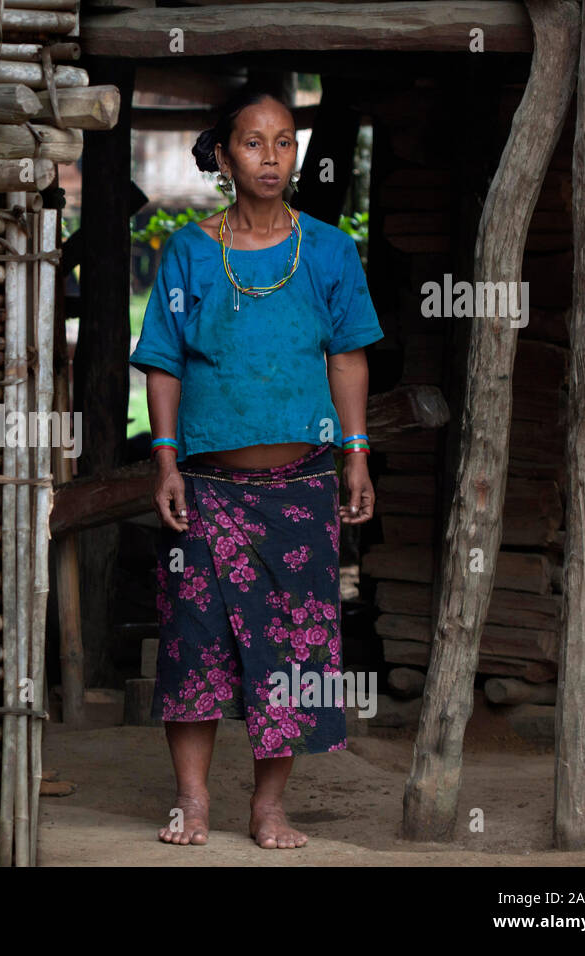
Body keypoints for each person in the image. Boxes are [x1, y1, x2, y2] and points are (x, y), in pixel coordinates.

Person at [128, 83, 382, 851]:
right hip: (205, 489)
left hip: (302, 488)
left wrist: (356, 453)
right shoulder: (191, 252)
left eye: (283, 142)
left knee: (295, 649)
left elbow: (347, 358)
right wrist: (165, 461)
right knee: (193, 642)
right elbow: (164, 363)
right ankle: (194, 801)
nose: (271, 157)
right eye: (253, 142)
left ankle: (269, 807)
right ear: (223, 155)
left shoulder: (330, 251)